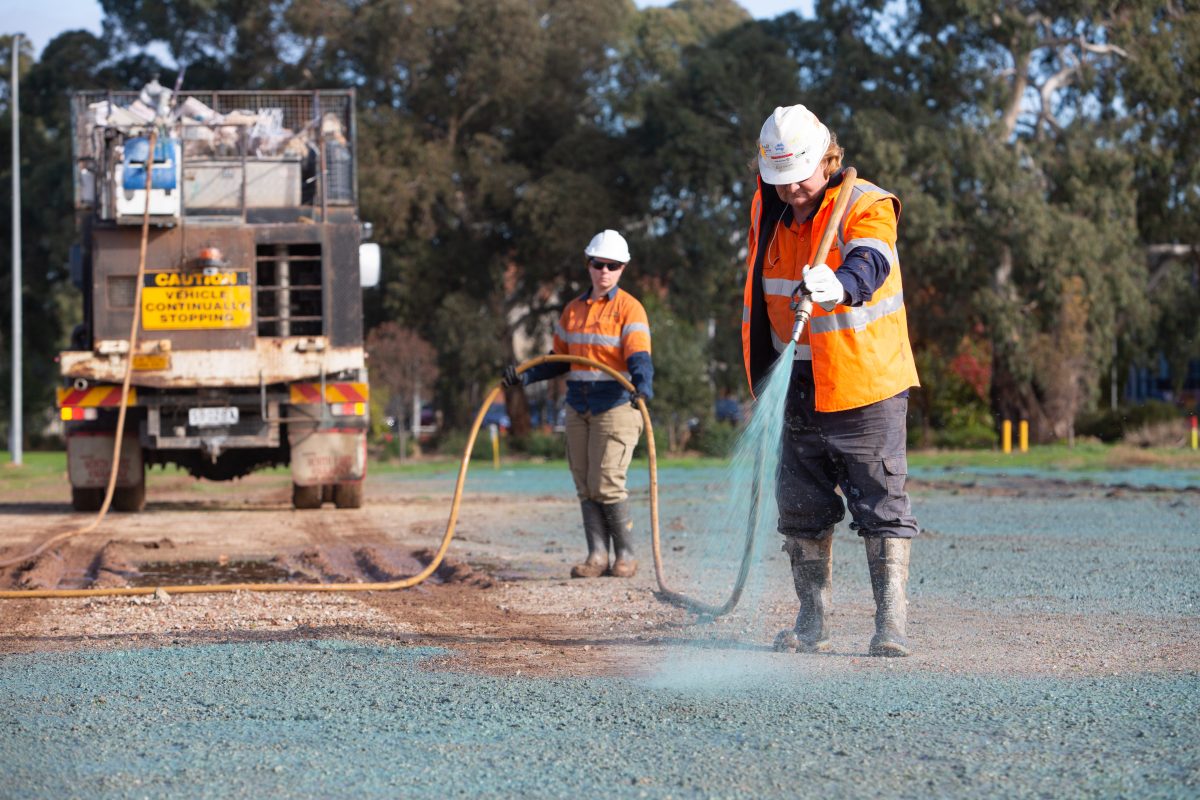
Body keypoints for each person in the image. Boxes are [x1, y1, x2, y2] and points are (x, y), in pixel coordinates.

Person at [741, 104, 920, 657]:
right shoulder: (768, 205)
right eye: (780, 181)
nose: (792, 190)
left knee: (880, 501)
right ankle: (811, 620)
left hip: (864, 381)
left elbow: (872, 259)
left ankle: (890, 624)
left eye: (800, 178)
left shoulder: (866, 203)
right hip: (794, 378)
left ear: (827, 158)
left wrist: (840, 284)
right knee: (800, 505)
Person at [503, 230, 654, 579]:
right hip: (578, 406)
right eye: (598, 264)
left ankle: (626, 556)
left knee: (608, 481)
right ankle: (597, 556)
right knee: (585, 483)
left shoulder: (630, 308)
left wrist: (643, 385)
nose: (604, 271)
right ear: (588, 265)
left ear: (622, 269)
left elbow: (639, 357)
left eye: (612, 266)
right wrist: (524, 377)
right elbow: (559, 360)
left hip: (616, 405)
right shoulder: (572, 311)